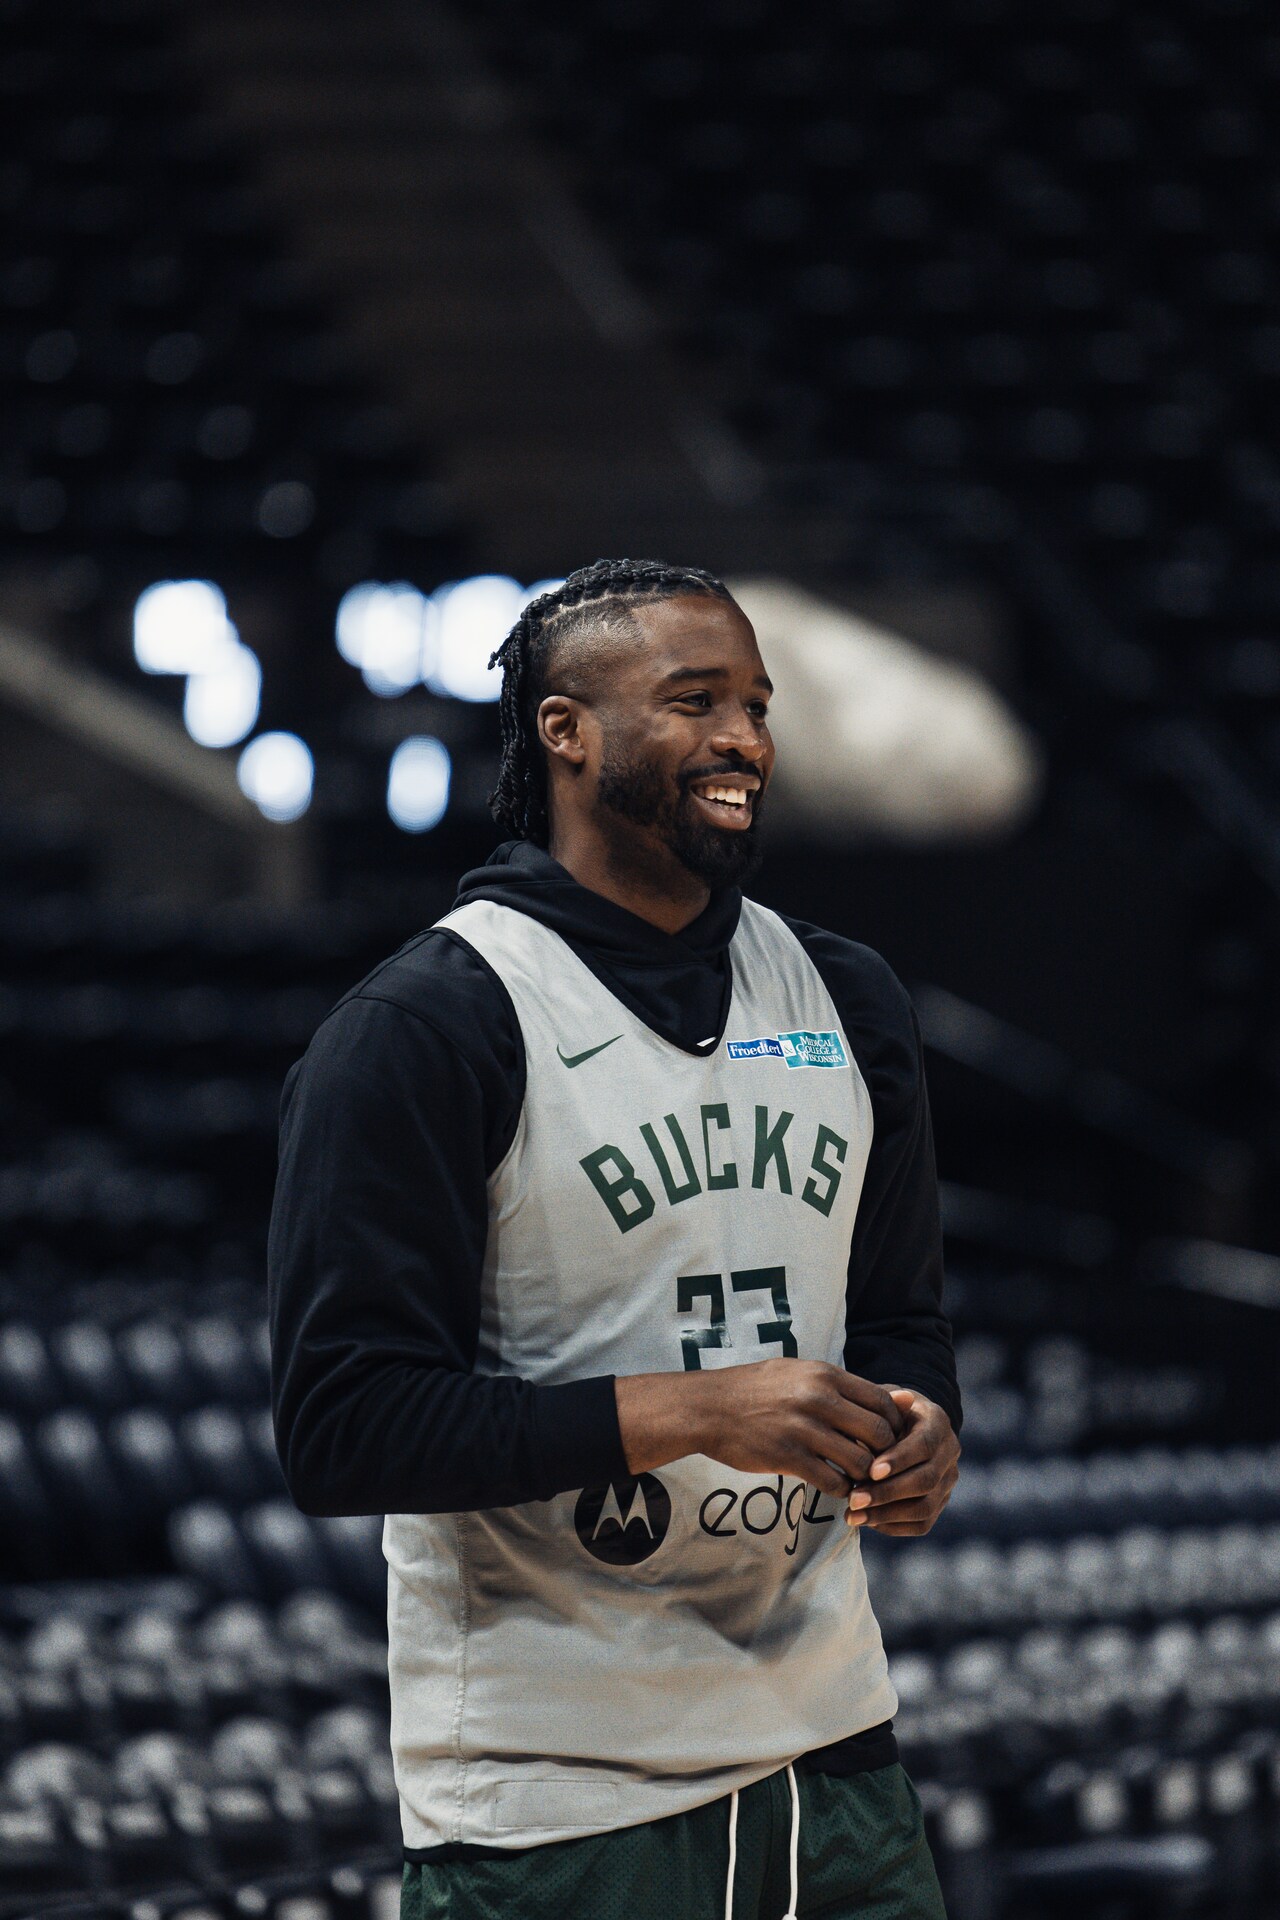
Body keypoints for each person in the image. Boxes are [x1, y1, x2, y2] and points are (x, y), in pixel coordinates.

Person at [269, 559, 962, 1920]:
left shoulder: (849, 998)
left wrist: (925, 1421)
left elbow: (896, 1317)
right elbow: (343, 1426)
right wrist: (695, 1411)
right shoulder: (426, 1027)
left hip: (834, 1758)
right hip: (556, 1794)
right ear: (564, 729)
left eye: (756, 705)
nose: (744, 739)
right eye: (694, 700)